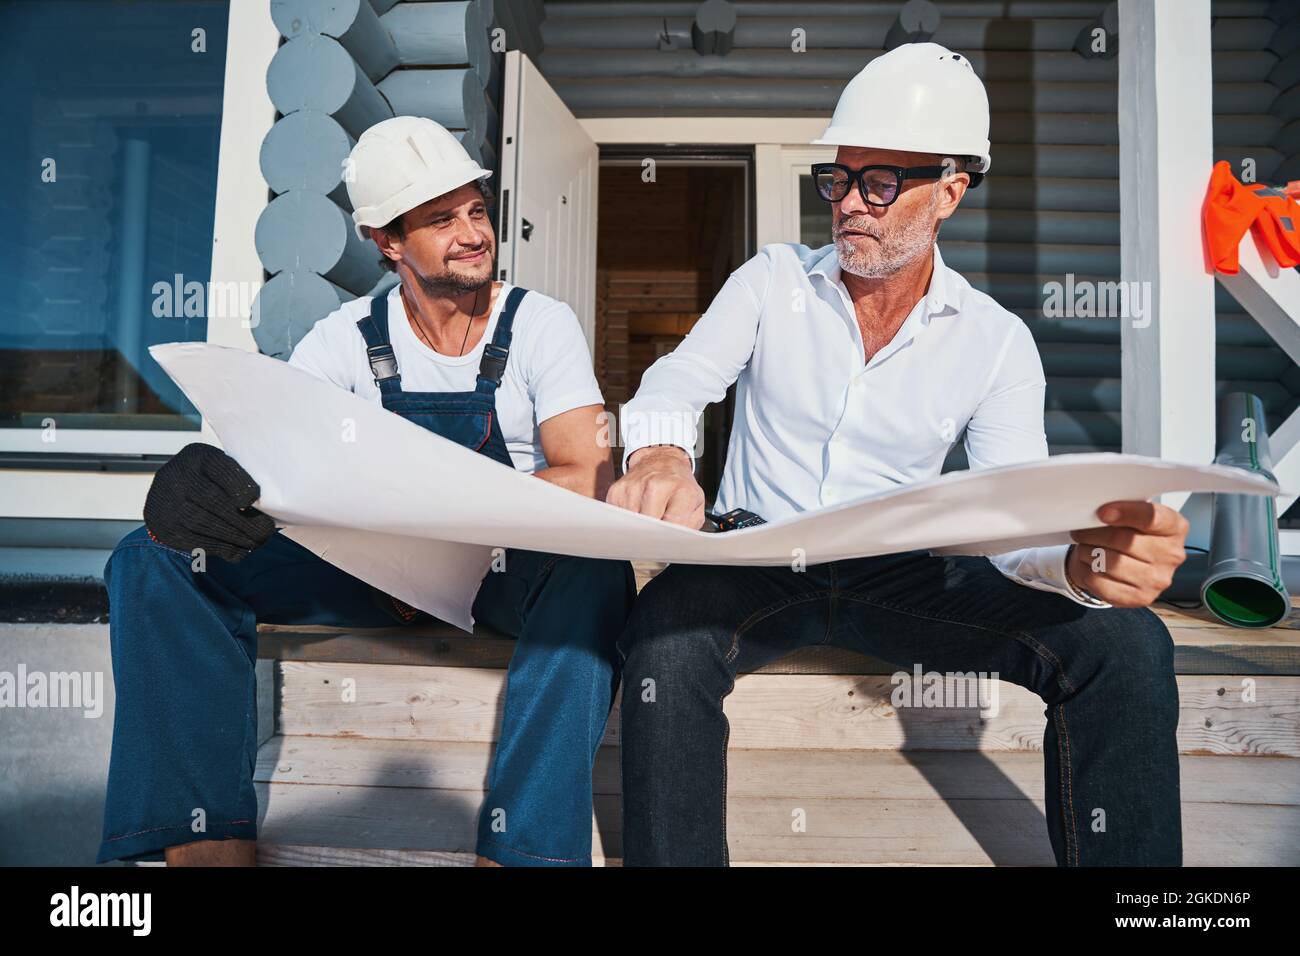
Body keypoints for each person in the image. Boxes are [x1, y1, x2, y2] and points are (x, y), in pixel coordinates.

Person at [606, 43, 1190, 867]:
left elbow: (1008, 514)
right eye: (838, 180)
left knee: (1129, 644)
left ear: (950, 190)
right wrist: (661, 456)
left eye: (880, 184)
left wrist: (1079, 568)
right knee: (662, 644)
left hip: (902, 569)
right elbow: (678, 380)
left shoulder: (994, 341)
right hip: (756, 553)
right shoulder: (771, 281)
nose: (850, 205)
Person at [97, 116, 634, 867]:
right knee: (152, 561)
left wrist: (440, 527)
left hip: (499, 570)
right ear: (387, 241)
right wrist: (199, 485)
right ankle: (206, 844)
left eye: (476, 210)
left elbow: (585, 473)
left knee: (595, 573)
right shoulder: (344, 338)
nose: (473, 232)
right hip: (365, 572)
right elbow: (265, 466)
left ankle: (525, 853)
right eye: (441, 219)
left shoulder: (540, 325)